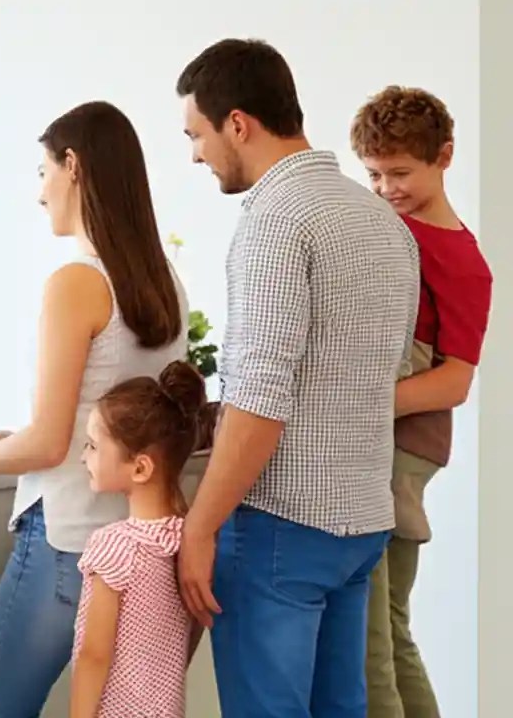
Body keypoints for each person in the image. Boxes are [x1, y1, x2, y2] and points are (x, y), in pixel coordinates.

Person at [0, 101, 188, 717]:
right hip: (138, 541)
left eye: (43, 171)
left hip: (66, 539)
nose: (40, 192)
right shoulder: (163, 281)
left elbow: (48, 444)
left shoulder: (77, 283)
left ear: (74, 166)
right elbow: (108, 411)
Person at [173, 39, 420, 717]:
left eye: (196, 134)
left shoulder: (275, 222)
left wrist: (199, 529)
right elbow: (384, 369)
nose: (195, 154)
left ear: (239, 124)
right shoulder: (384, 222)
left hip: (283, 525)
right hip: (363, 523)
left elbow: (258, 399)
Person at [351, 85, 493, 718]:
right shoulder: (391, 234)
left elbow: (454, 381)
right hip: (388, 447)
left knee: (370, 640)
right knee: (387, 631)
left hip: (403, 453)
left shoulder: (462, 261)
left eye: (401, 173)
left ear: (446, 157)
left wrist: (349, 406)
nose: (387, 188)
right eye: (375, 174)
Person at [70, 360, 204, 718]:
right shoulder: (189, 543)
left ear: (140, 467)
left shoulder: (114, 548)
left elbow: (94, 654)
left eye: (93, 446)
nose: (84, 456)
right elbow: (192, 634)